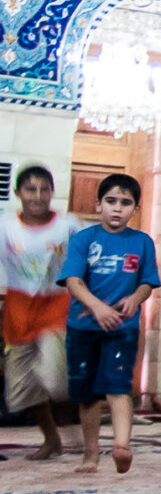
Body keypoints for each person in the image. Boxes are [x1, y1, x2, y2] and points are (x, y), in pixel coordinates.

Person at [58, 173, 159, 476]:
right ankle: (90, 455)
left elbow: (148, 282)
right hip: (83, 328)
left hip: (122, 330)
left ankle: (121, 445)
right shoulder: (83, 240)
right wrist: (97, 307)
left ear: (135, 209)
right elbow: (73, 282)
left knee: (118, 386)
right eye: (111, 201)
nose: (117, 209)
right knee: (86, 393)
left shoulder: (142, 242)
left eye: (126, 203)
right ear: (98, 204)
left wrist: (135, 299)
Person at [0, 165, 78, 461]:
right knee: (23, 392)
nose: (38, 196)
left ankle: (78, 414)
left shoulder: (68, 225)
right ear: (18, 193)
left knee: (55, 380)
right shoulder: (6, 226)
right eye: (31, 189)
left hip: (57, 308)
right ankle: (52, 439)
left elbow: (87, 260)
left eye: (45, 189)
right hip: (19, 313)